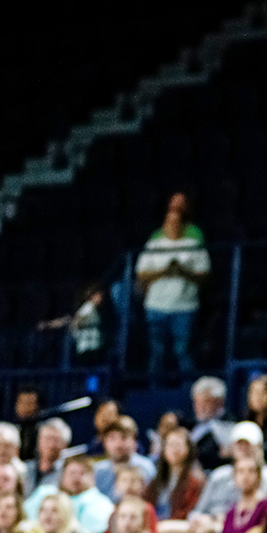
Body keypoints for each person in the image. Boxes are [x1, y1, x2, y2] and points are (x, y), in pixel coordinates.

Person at [135, 192, 211, 376]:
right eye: (170, 220)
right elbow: (141, 272)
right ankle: (154, 390)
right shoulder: (155, 243)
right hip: (156, 306)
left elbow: (204, 273)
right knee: (157, 353)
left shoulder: (193, 240)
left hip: (184, 307)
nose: (173, 223)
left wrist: (182, 271)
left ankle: (188, 390)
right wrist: (164, 272)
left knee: (183, 351)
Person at [193, 424, 267, 520]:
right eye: (239, 444)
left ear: (258, 447)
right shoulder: (218, 475)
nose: (243, 448)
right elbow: (197, 512)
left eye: (247, 444)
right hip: (210, 526)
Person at [26, 456, 115, 533]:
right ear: (62, 476)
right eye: (72, 473)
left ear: (92, 478)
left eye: (82, 473)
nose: (76, 478)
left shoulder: (101, 503)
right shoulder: (45, 493)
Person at [37, 285, 105, 366]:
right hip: (88, 349)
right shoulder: (88, 307)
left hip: (93, 348)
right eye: (100, 295)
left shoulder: (94, 309)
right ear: (93, 296)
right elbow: (75, 320)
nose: (101, 298)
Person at [146, 428, 203, 522]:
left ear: (188, 449)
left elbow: (191, 510)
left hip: (178, 528)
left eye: (178, 445)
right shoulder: (155, 480)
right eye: (170, 445)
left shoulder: (195, 480)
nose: (174, 450)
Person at [94, 418, 156, 499]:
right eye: (112, 438)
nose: (118, 444)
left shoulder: (146, 467)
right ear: (105, 443)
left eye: (124, 437)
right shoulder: (98, 471)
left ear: (134, 440)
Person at [189, 378, 235, 473]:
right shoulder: (193, 425)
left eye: (205, 402)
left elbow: (213, 455)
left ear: (219, 402)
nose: (199, 407)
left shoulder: (230, 424)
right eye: (196, 402)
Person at [219, 457, 267, 533]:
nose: (246, 476)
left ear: (259, 476)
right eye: (241, 471)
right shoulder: (231, 511)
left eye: (251, 471)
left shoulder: (265, 506)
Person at [27, 419, 71, 492]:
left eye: (55, 440)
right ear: (39, 441)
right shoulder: (25, 469)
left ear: (65, 445)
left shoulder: (67, 471)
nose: (50, 445)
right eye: (47, 439)